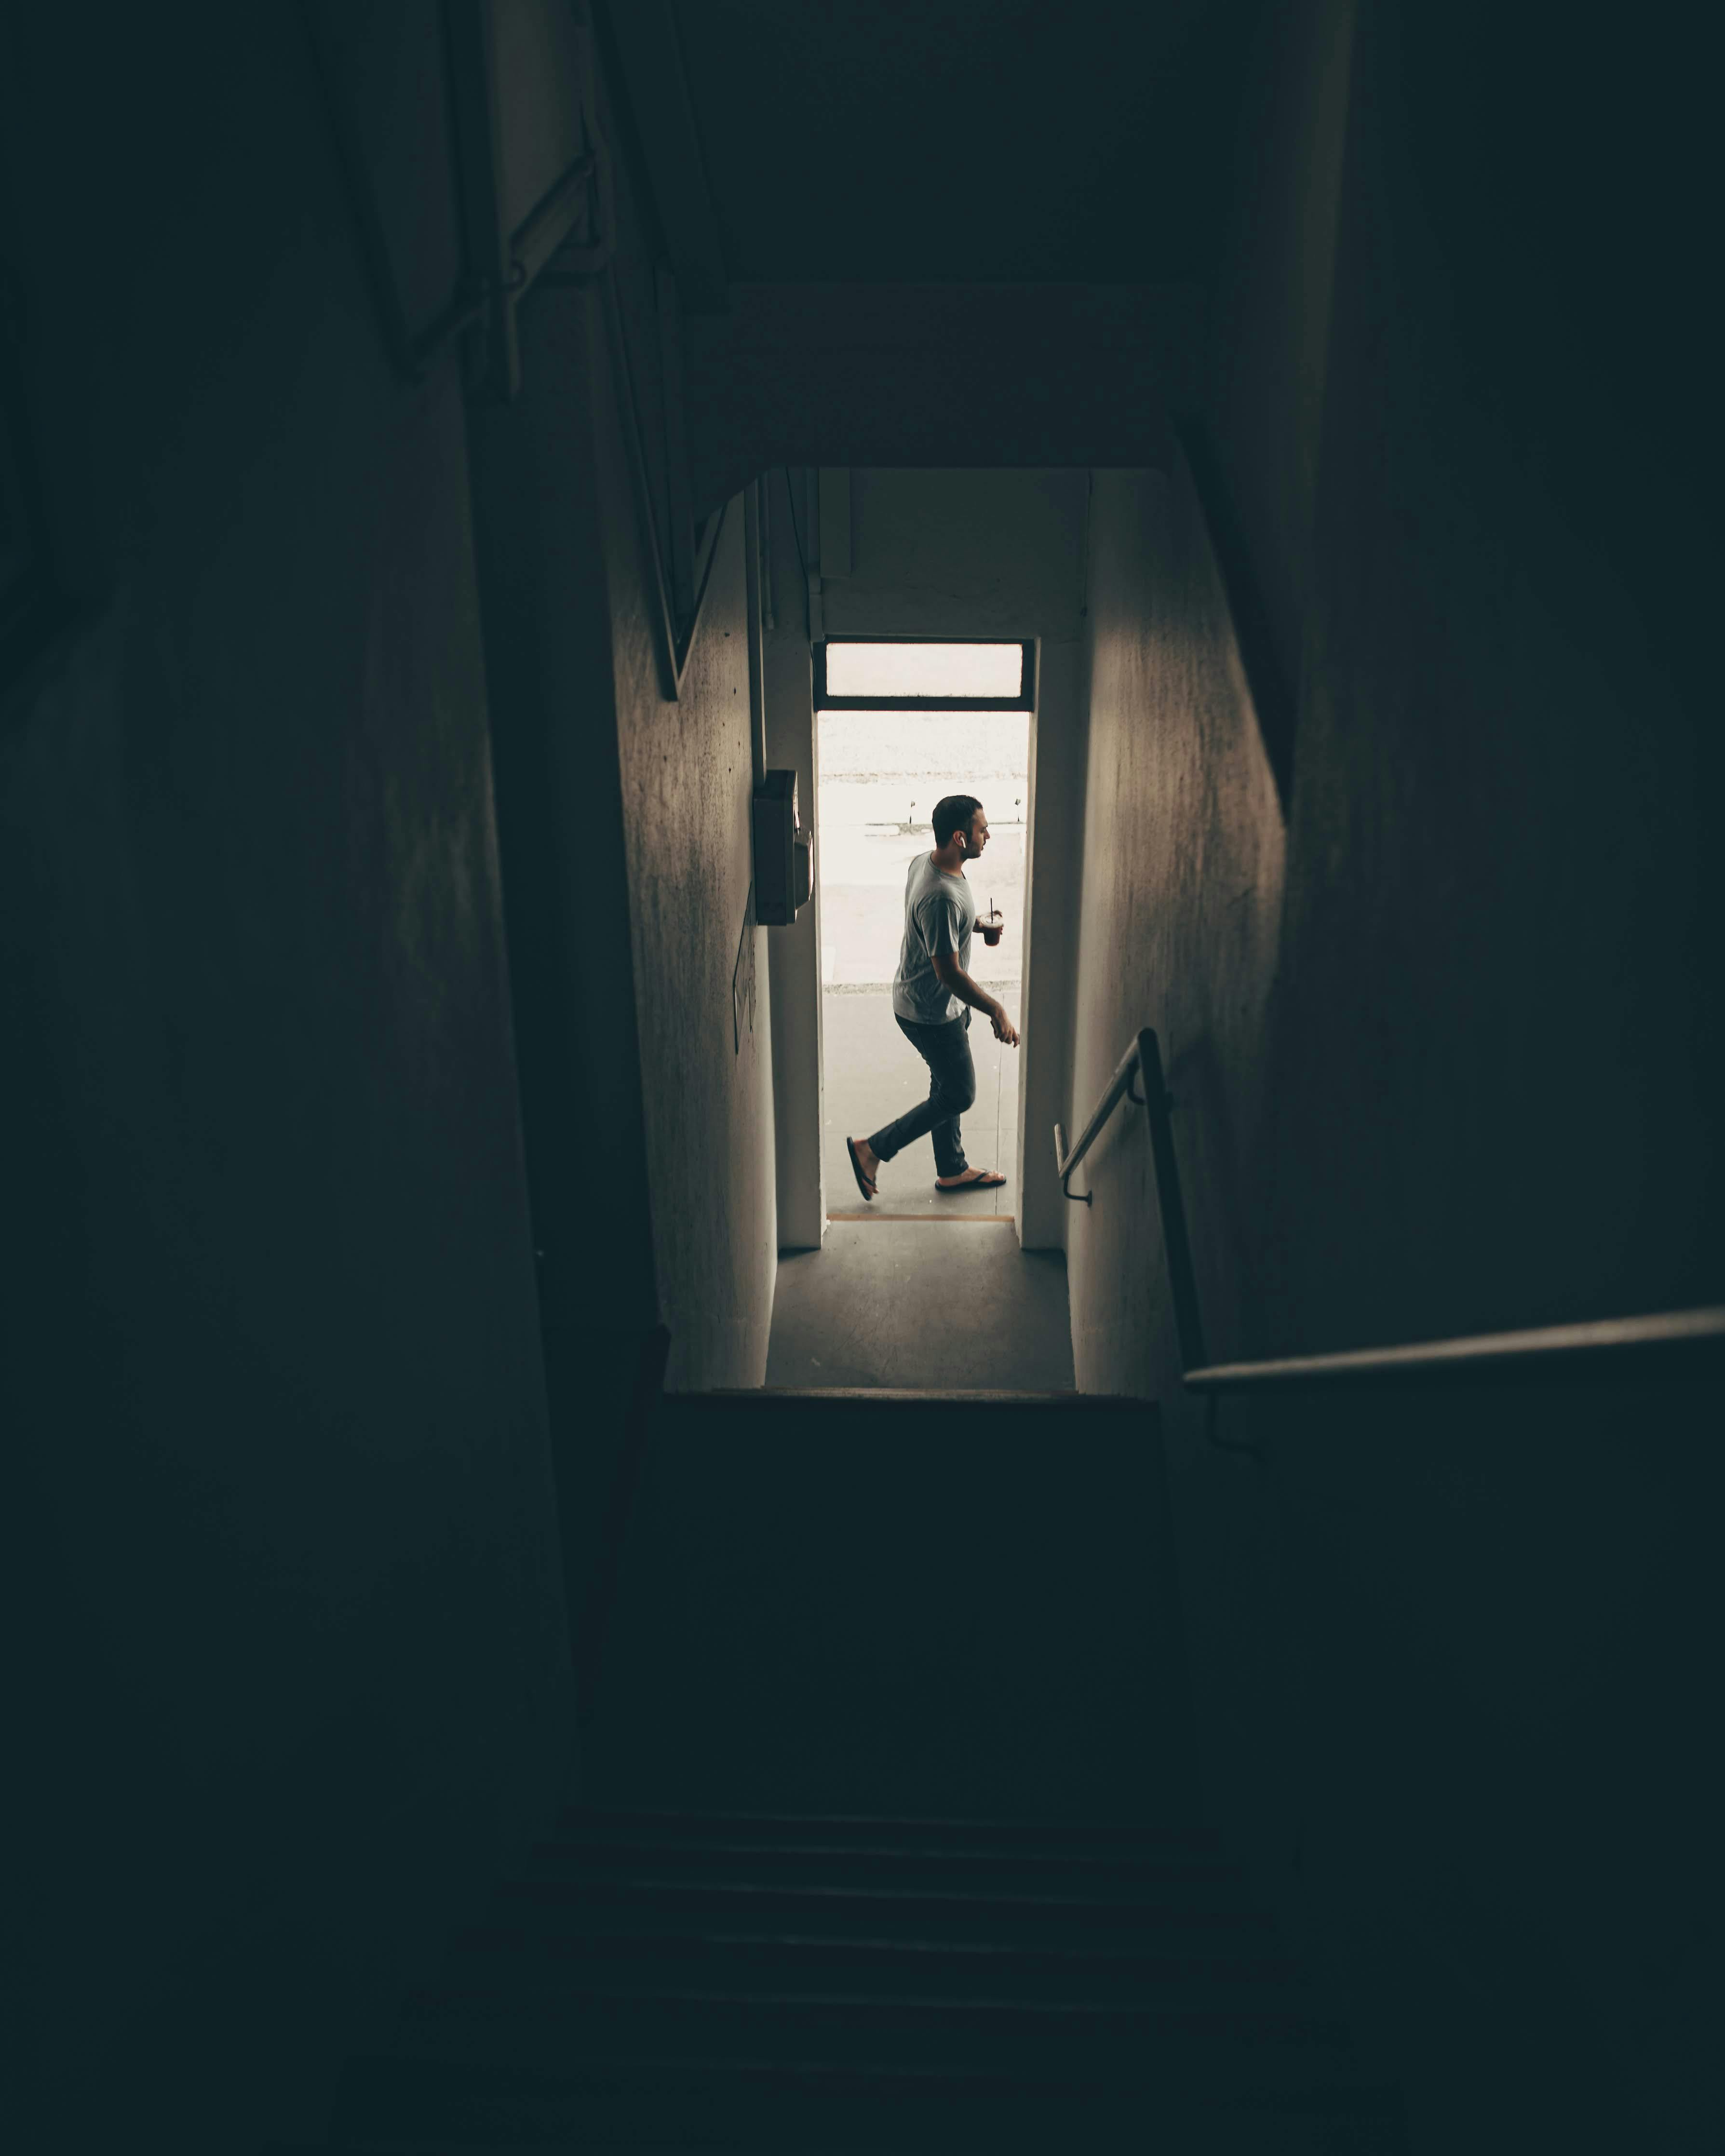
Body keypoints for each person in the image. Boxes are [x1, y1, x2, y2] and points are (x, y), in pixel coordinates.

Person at [845, 794, 1020, 1201]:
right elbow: (948, 972)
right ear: (960, 838)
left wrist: (974, 926)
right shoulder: (941, 896)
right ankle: (871, 1150)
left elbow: (936, 931)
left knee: (945, 1083)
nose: (988, 835)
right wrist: (996, 1008)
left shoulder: (927, 861)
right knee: (959, 1093)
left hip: (936, 1005)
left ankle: (952, 1170)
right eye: (982, 830)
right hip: (930, 1012)